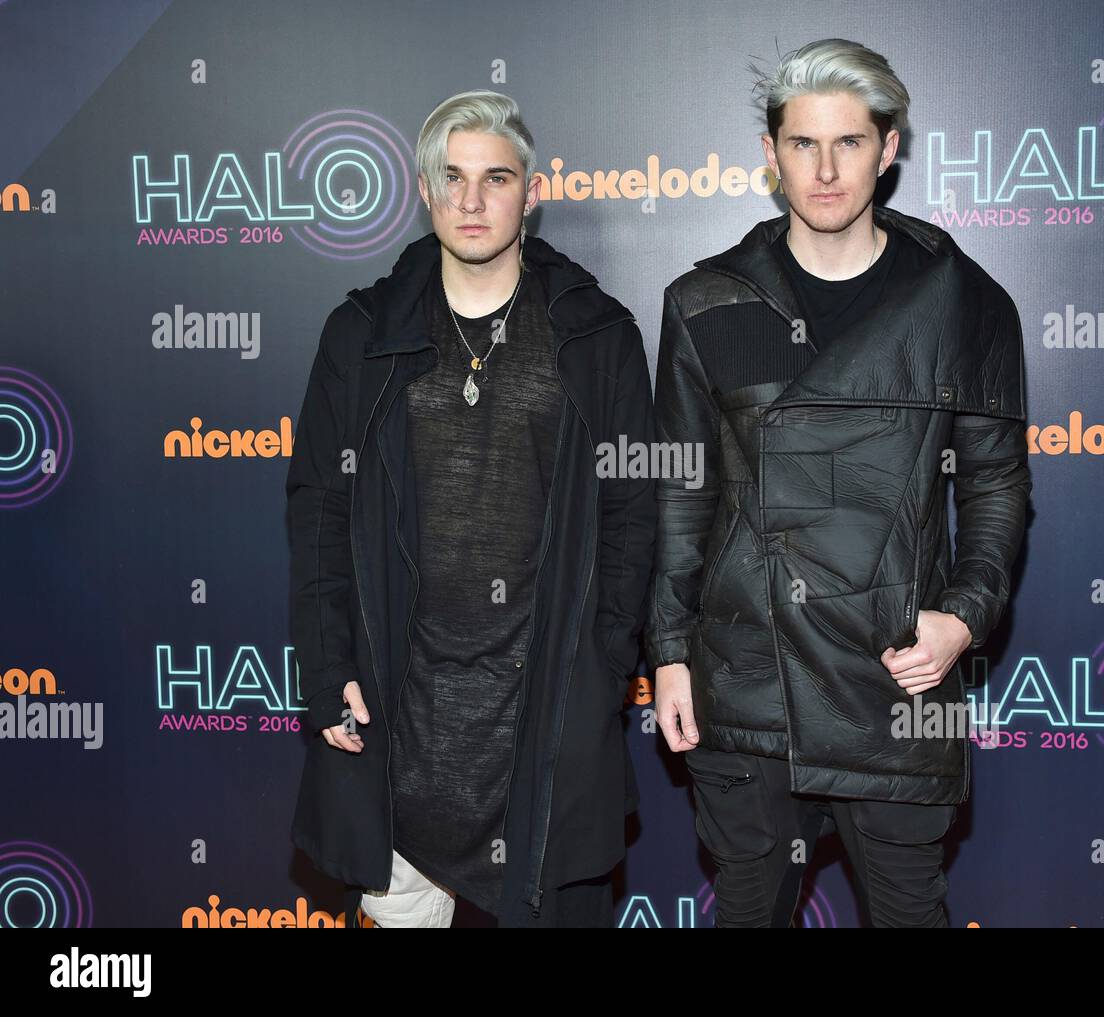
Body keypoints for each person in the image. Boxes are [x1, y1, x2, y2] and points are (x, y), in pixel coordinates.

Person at [646, 39, 1032, 928]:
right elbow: (678, 490)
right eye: (803, 145)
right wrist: (669, 651)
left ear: (889, 149)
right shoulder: (709, 303)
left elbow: (996, 486)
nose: (825, 171)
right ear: (771, 154)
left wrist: (965, 614)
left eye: (850, 143)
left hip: (896, 678)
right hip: (746, 676)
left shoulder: (963, 302)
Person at [285, 90, 656, 927]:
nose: (472, 200)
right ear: (424, 190)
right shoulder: (360, 334)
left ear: (532, 191)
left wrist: (603, 659)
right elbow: (319, 512)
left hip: (544, 716)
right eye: (451, 178)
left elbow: (635, 509)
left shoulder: (595, 336)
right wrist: (325, 668)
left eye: (496, 178)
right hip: (399, 719)